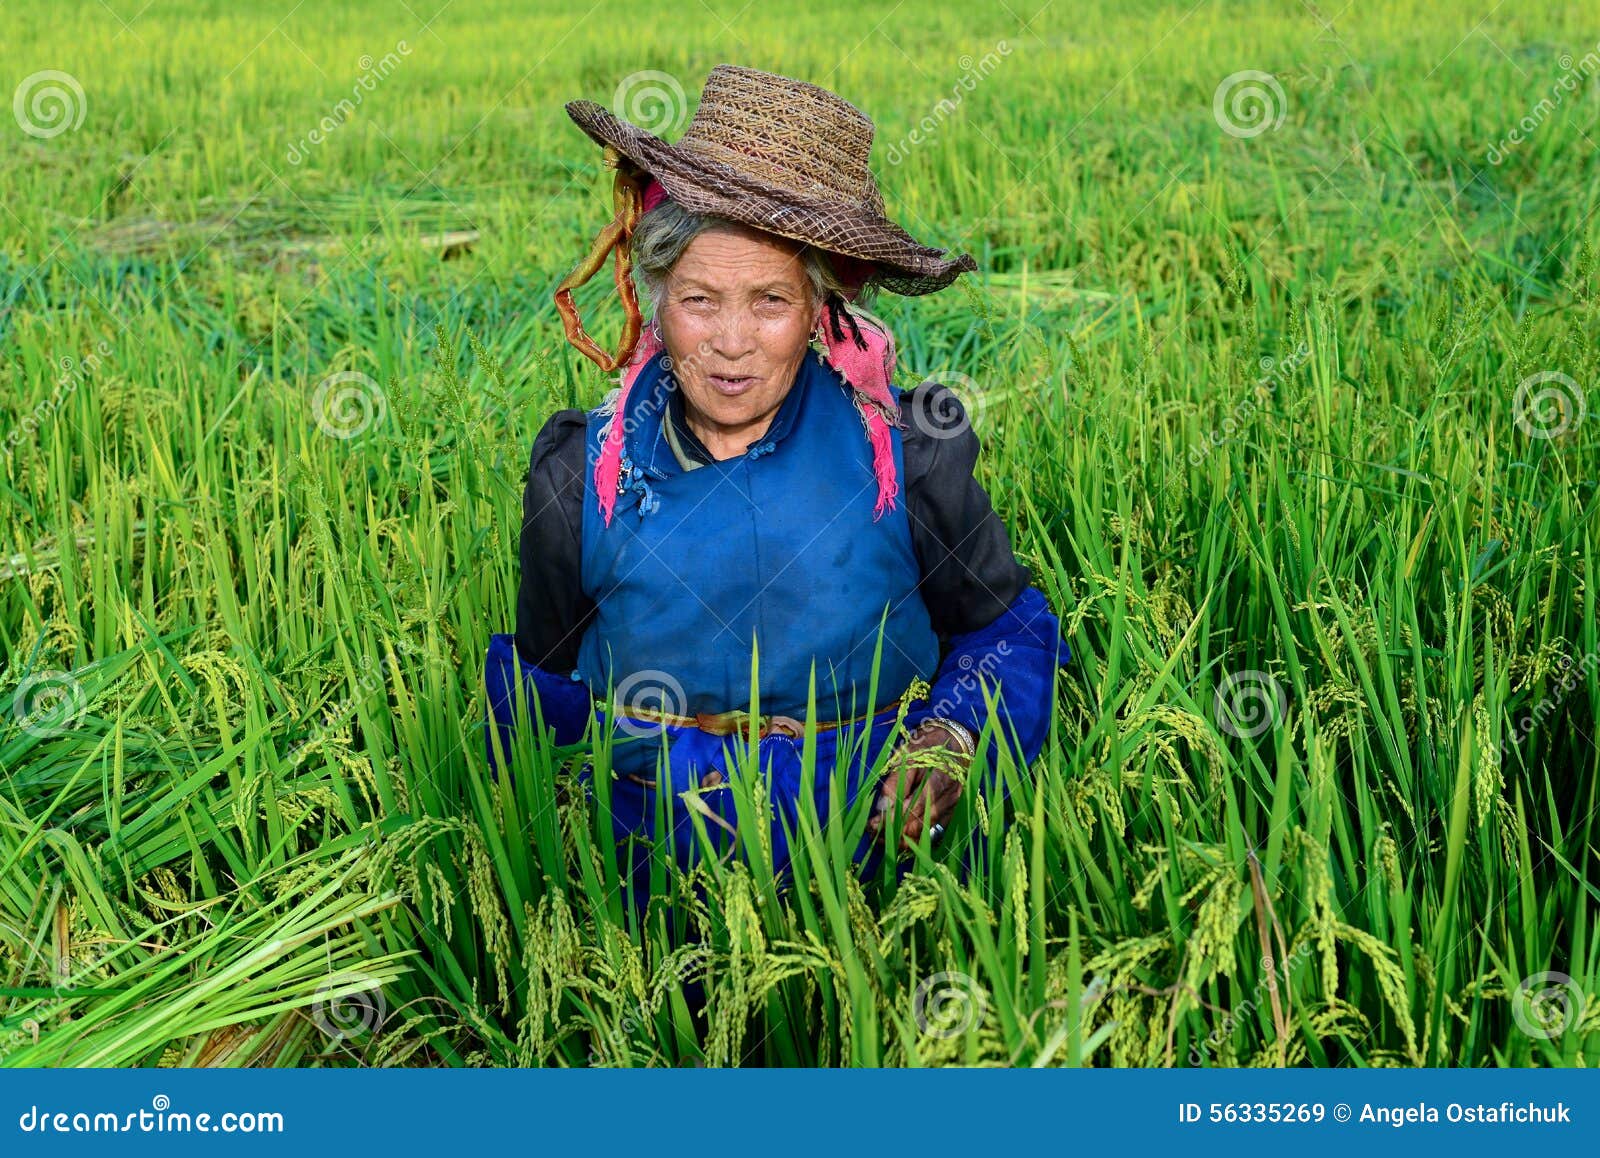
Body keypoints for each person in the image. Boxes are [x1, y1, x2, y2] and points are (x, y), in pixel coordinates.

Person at [484, 64, 1067, 916]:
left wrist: (950, 736)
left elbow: (1006, 633)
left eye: (769, 302)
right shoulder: (583, 475)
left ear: (821, 307)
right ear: (655, 300)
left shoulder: (909, 456)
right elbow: (542, 691)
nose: (729, 343)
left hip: (880, 864)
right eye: (697, 298)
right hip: (650, 878)